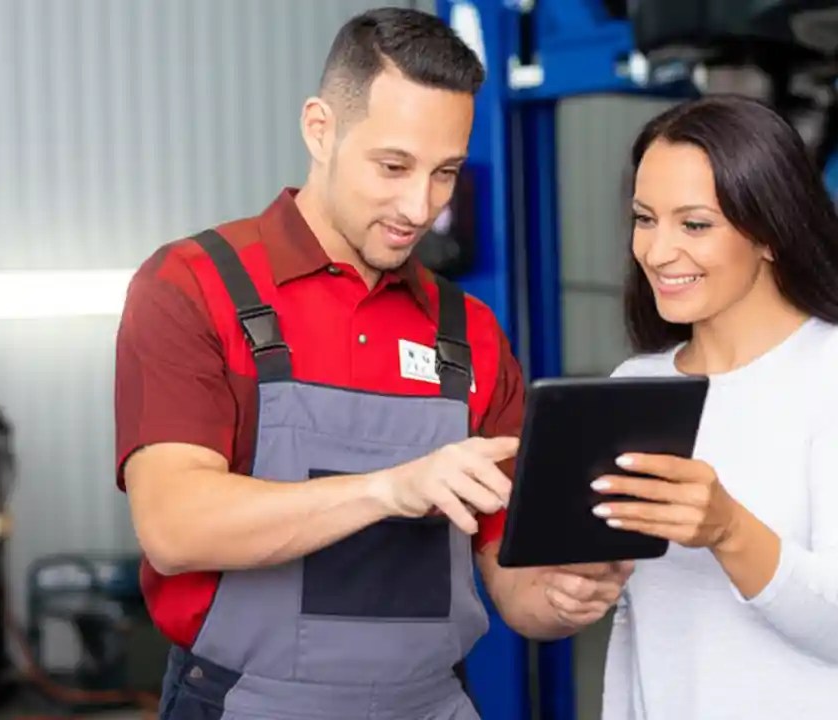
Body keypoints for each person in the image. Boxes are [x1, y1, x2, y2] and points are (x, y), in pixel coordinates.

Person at [114, 8, 631, 719]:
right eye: (394, 166)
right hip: (248, 704)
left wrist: (562, 598)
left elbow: (511, 580)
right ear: (320, 128)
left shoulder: (469, 332)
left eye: (444, 173)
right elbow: (174, 528)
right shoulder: (194, 286)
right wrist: (389, 490)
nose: (419, 206)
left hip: (433, 704)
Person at [590, 94, 838, 719]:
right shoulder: (636, 381)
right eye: (645, 219)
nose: (655, 250)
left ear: (771, 233)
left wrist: (729, 528)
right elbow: (637, 625)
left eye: (694, 224)